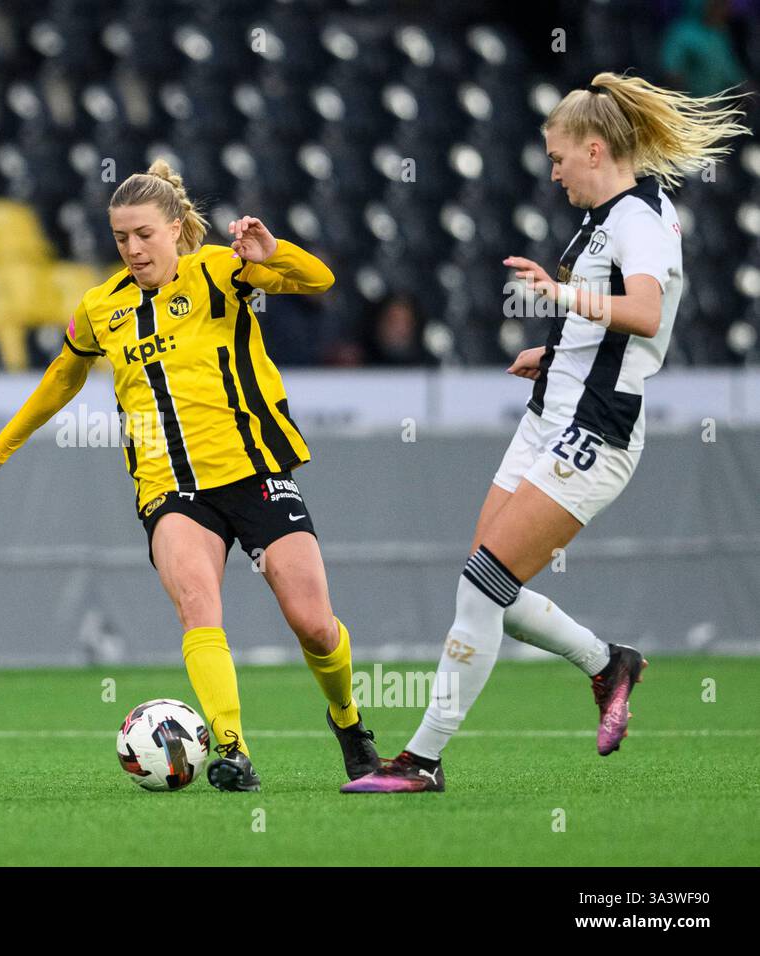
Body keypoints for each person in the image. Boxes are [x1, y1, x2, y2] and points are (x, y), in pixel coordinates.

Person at [344, 72, 751, 793]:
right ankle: (607, 663)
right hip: (549, 419)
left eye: (560, 157)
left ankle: (423, 759)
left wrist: (562, 295)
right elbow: (608, 323)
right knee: (484, 584)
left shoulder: (639, 218)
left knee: (483, 581)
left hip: (596, 431)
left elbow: (647, 313)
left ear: (595, 150)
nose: (554, 171)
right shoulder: (607, 216)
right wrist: (555, 352)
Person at [0, 160, 378, 792]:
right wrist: (2, 446)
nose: (131, 249)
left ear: (177, 229)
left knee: (314, 622)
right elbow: (62, 377)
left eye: (143, 234)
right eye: (121, 237)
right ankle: (232, 749)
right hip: (170, 490)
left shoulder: (218, 269)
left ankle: (349, 724)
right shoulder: (103, 307)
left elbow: (319, 280)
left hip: (255, 470)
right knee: (197, 605)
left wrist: (275, 252)